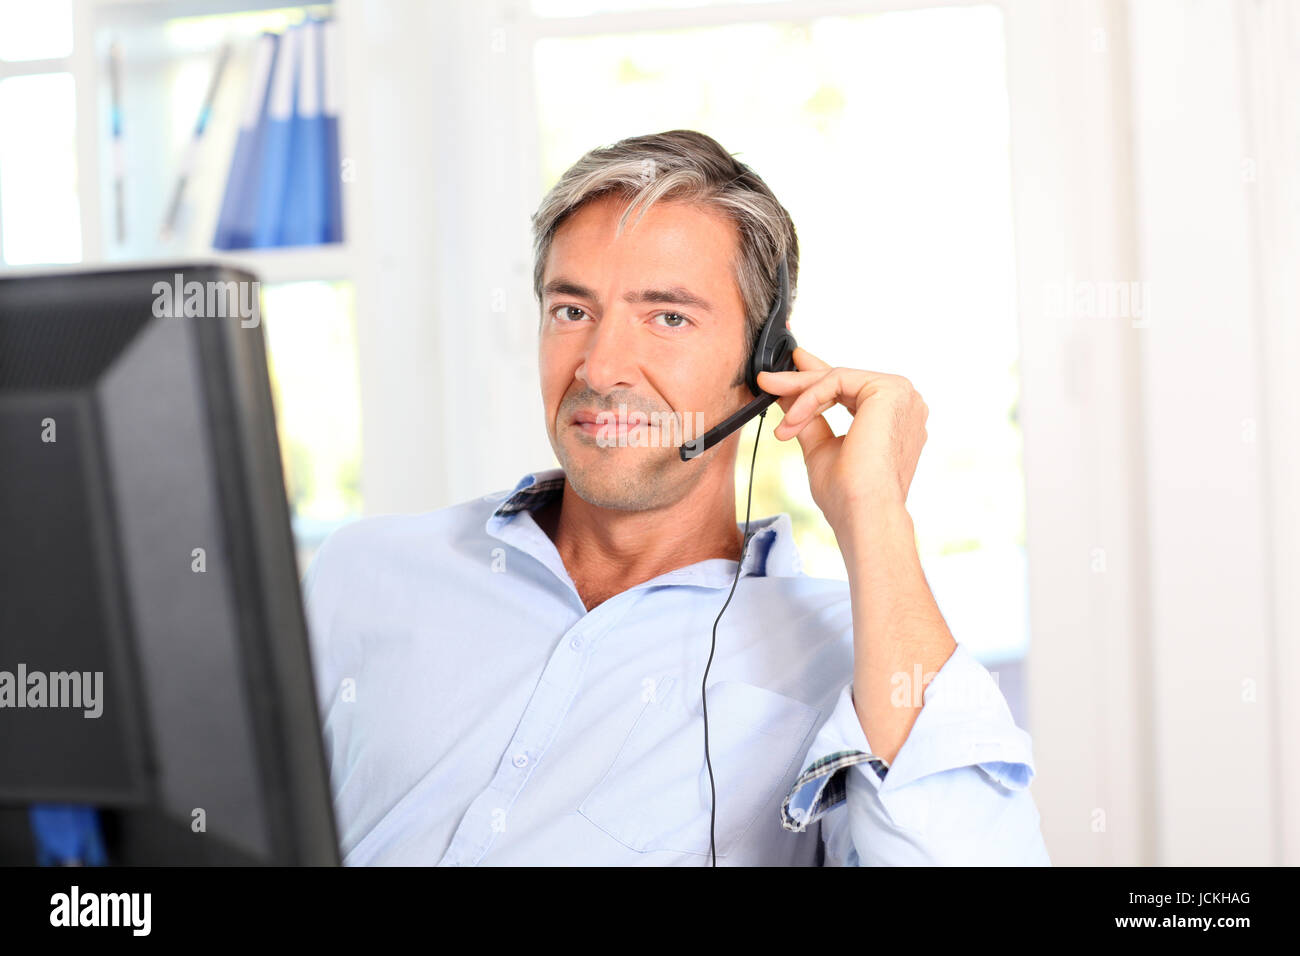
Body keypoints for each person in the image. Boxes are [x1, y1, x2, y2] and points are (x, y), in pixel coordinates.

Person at [301, 129, 1050, 866]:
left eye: (667, 317)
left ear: (766, 359)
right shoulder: (365, 570)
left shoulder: (855, 658)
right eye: (573, 311)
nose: (600, 368)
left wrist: (875, 514)